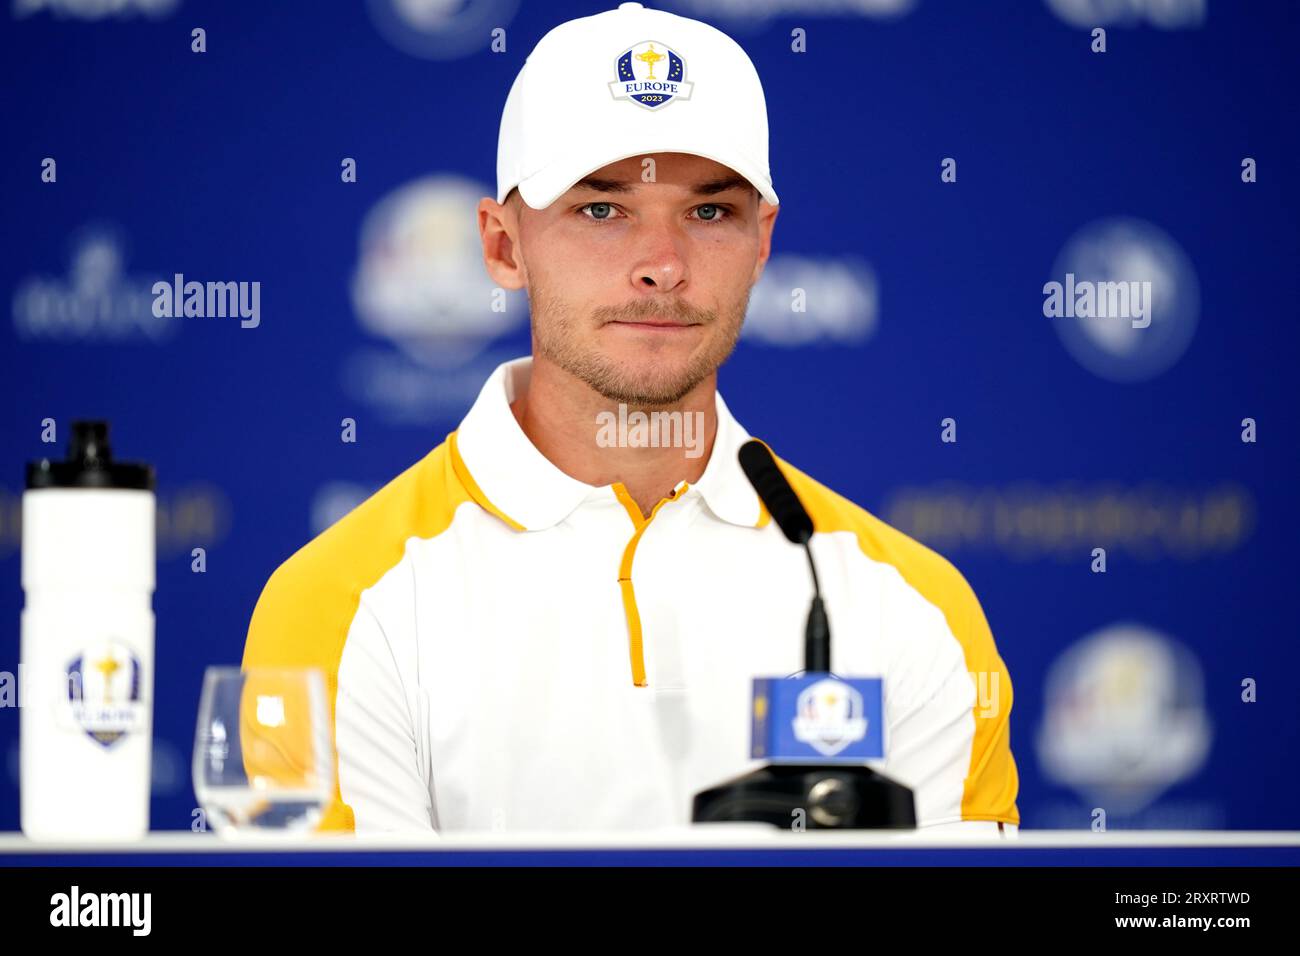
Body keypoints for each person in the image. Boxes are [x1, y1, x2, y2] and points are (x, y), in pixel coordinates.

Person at [243, 2, 1020, 836]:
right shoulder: (339, 604)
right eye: (602, 210)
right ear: (504, 246)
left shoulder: (907, 605)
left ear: (762, 243)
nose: (662, 266)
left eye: (710, 212)